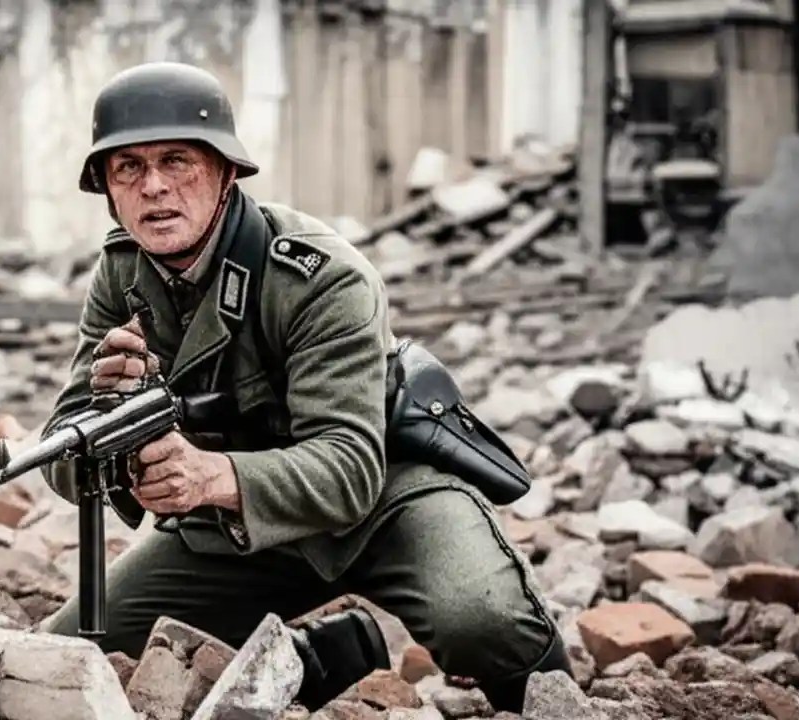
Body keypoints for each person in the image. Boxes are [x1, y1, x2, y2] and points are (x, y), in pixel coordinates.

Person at [36, 61, 571, 712]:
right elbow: (63, 452)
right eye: (128, 168)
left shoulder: (320, 275)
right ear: (108, 190)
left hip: (383, 500)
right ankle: (320, 658)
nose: (153, 187)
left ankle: (560, 699)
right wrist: (115, 435)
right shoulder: (122, 275)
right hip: (239, 525)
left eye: (177, 161)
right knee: (73, 649)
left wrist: (208, 476)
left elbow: (349, 470)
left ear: (226, 172)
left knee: (481, 618)